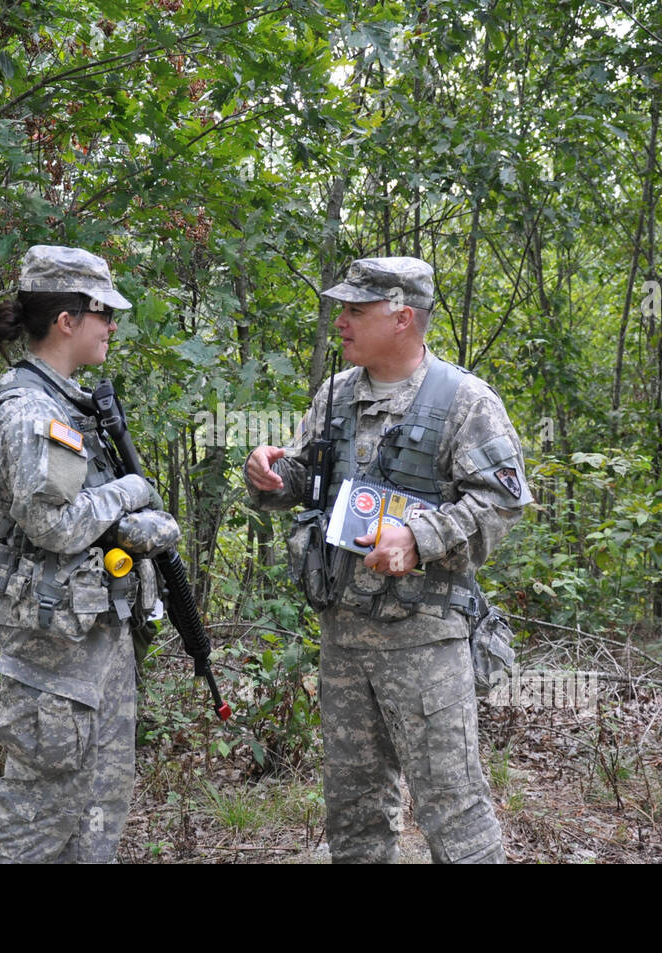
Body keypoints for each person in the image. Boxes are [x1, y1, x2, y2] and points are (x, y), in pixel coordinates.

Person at [244, 256, 532, 863]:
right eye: (341, 309)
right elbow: (312, 481)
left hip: (423, 639)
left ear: (402, 318)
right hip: (342, 636)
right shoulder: (335, 395)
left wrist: (419, 538)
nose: (340, 322)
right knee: (353, 805)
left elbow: (502, 502)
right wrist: (274, 479)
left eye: (355, 310)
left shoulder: (465, 401)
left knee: (451, 803)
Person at [0, 245, 178, 863]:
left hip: (89, 636)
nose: (113, 326)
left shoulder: (67, 403)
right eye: (104, 313)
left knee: (97, 812)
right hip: (52, 649)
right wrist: (130, 493)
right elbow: (50, 525)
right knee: (36, 817)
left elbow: (78, 520)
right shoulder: (30, 410)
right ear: (67, 321)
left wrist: (138, 528)